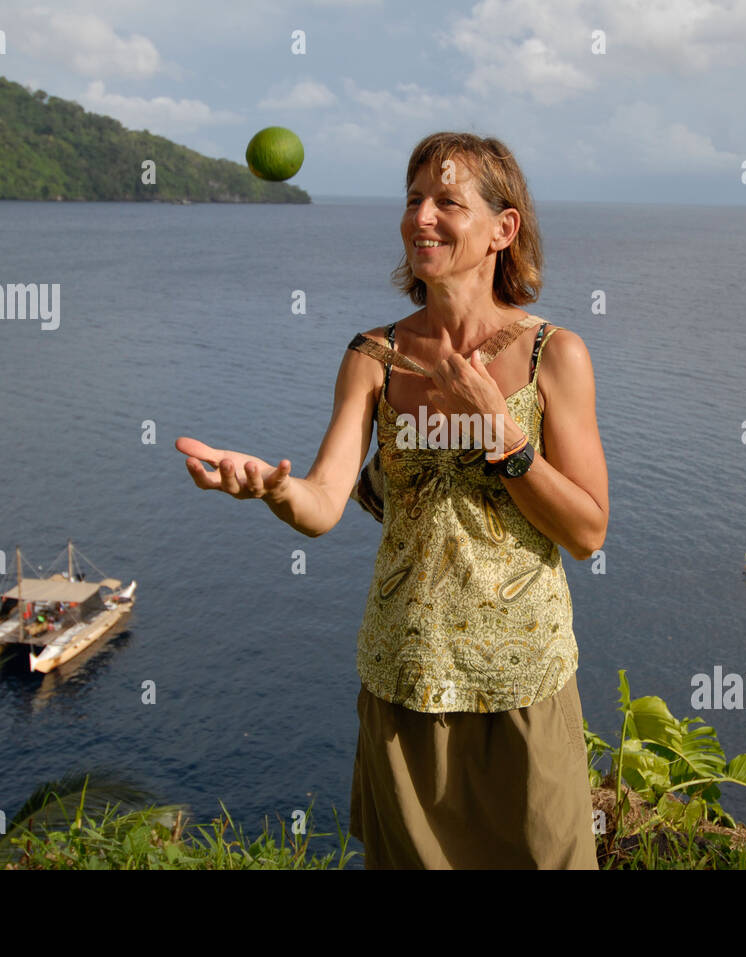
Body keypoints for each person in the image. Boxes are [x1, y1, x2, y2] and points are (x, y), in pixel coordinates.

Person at [175, 132, 609, 869]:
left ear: (503, 228)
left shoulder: (553, 355)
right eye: (413, 200)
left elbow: (588, 530)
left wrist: (499, 430)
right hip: (403, 675)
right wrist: (273, 488)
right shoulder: (372, 356)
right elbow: (322, 502)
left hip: (523, 680)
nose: (421, 218)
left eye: (447, 201)